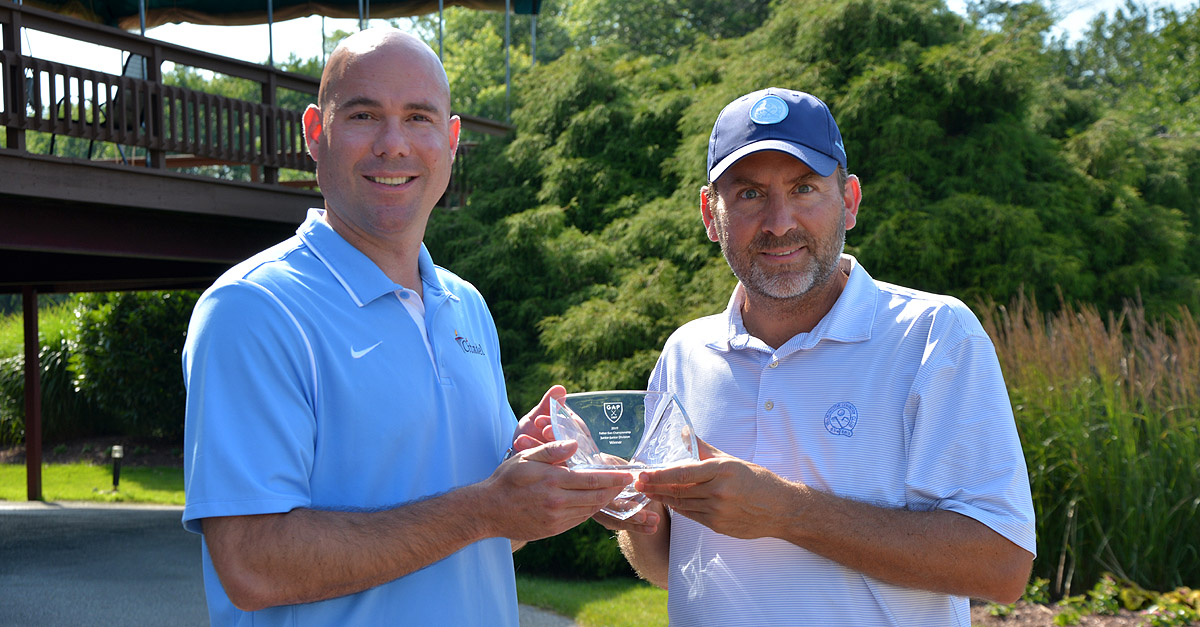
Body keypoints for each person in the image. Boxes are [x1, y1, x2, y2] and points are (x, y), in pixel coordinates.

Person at [180, 28, 632, 625]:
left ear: (451, 140)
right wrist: (483, 509)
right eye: (364, 115)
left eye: (419, 117)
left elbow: (488, 539)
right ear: (315, 133)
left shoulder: (466, 305)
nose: (393, 145)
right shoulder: (253, 309)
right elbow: (251, 565)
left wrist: (521, 485)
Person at [605, 88, 1037, 626]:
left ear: (849, 201)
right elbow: (677, 566)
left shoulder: (933, 335)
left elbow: (1002, 566)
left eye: (804, 188)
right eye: (749, 194)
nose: (779, 222)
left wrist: (788, 512)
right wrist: (636, 514)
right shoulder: (685, 353)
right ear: (710, 215)